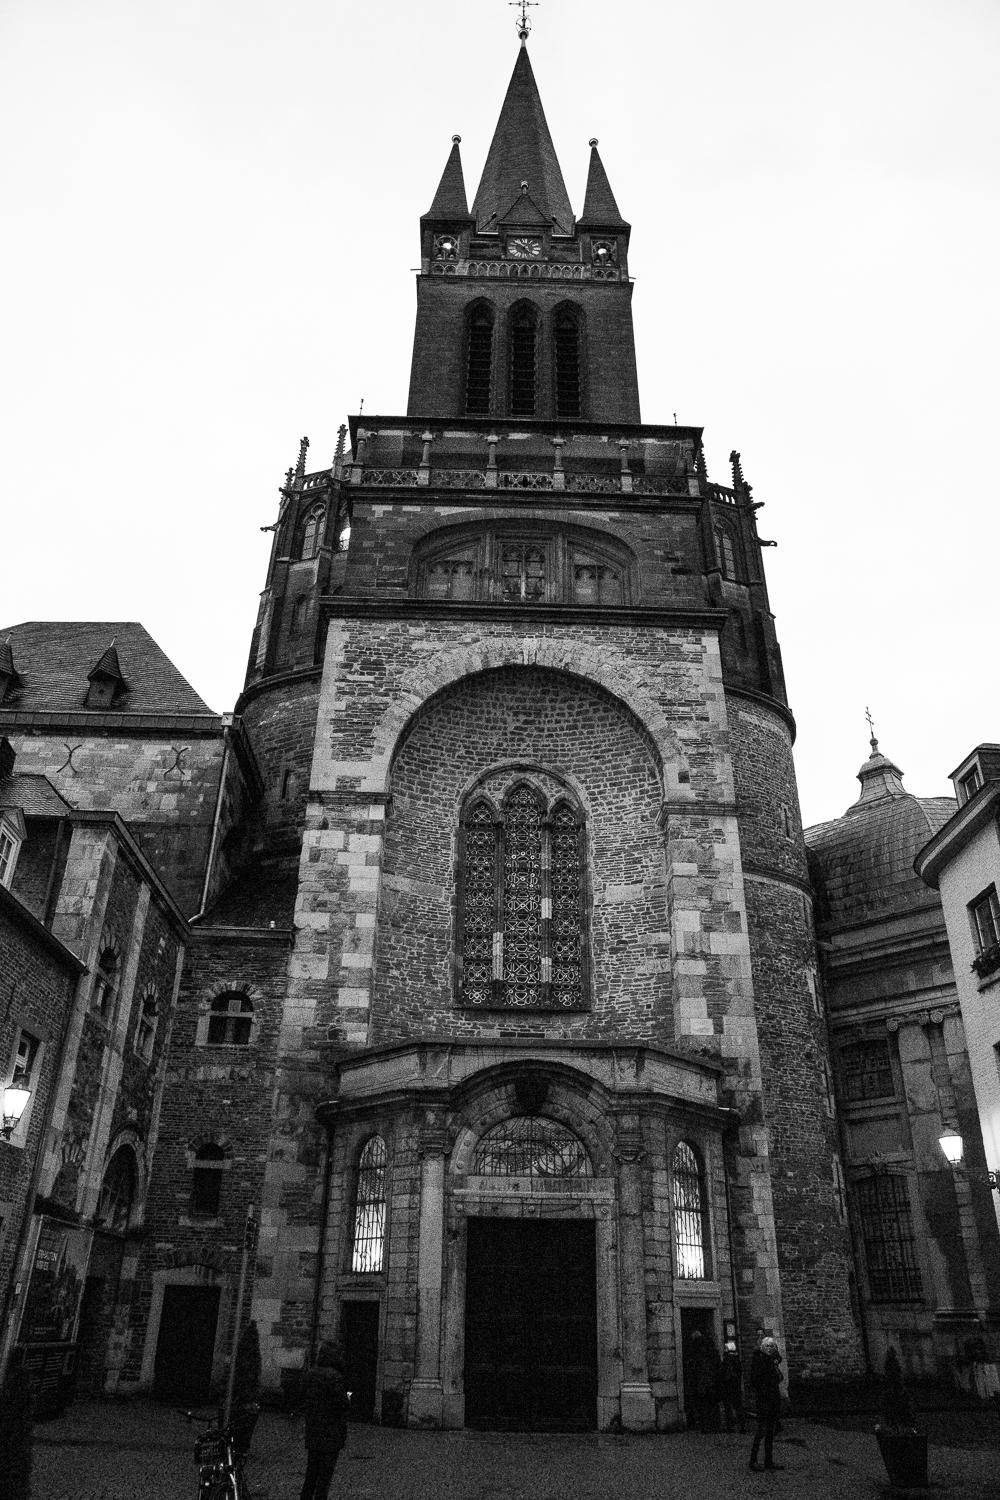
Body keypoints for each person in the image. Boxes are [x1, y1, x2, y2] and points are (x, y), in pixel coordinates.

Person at [299, 1341, 350, 1500]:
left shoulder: (311, 1374)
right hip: (330, 1434)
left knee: (311, 1474)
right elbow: (341, 1405)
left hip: (313, 1431)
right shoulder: (335, 1377)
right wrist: (347, 1399)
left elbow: (302, 1397)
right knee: (324, 1479)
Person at [748, 1335, 783, 1471]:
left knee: (770, 1431)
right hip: (764, 1399)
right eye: (767, 1346)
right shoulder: (759, 1360)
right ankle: (753, 1460)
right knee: (761, 1431)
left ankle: (769, 1460)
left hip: (773, 1397)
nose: (770, 1348)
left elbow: (778, 1371)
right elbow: (755, 1380)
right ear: (762, 1347)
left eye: (772, 1346)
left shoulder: (772, 1360)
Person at [720, 1340, 745, 1433]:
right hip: (736, 1386)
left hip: (728, 1386)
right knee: (738, 1406)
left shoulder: (726, 1360)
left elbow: (722, 1373)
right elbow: (739, 1373)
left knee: (728, 1407)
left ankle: (730, 1426)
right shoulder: (737, 1360)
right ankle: (742, 1426)